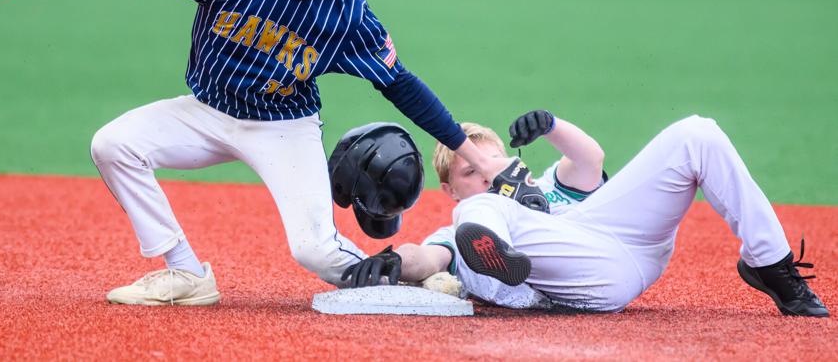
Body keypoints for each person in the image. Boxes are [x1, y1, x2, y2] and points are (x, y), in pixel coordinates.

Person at [0, 0, 515, 306]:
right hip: (204, 112)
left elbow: (402, 86)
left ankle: (421, 275)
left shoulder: (348, 14)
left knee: (316, 253)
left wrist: (472, 156)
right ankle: (186, 273)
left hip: (284, 128)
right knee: (113, 144)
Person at [342, 110, 829, 317]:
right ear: (448, 189)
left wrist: (552, 126)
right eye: (471, 170)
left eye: (491, 162)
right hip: (587, 276)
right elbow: (429, 257)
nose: (487, 174)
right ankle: (501, 260)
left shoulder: (546, 185)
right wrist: (395, 262)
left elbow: (591, 159)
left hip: (626, 237)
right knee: (482, 211)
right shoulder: (465, 219)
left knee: (697, 133)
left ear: (509, 159)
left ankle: (770, 263)